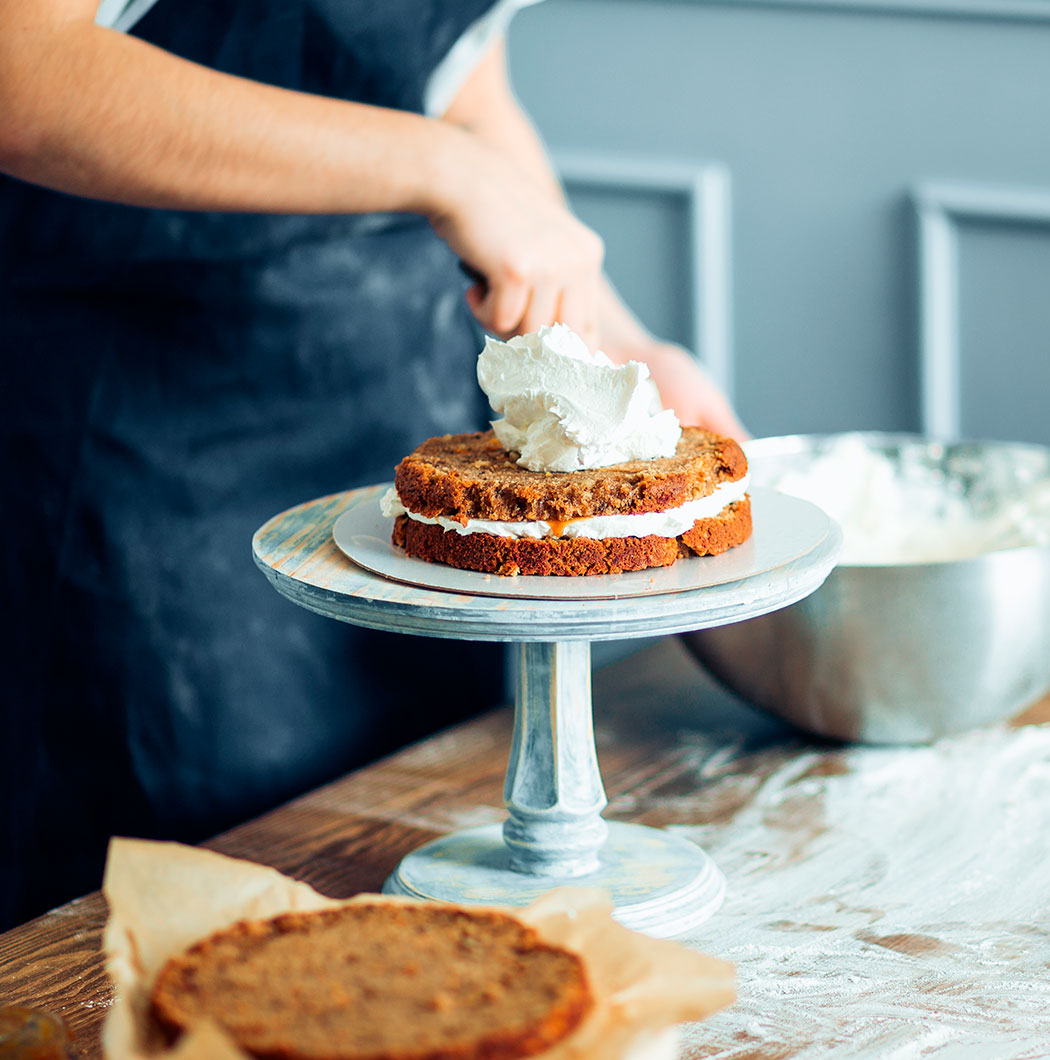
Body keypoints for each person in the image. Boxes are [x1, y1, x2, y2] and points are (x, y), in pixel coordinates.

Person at [0, 0, 748, 929]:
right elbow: (20, 66)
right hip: (144, 434)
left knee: (428, 827)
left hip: (406, 413)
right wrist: (441, 169)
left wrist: (613, 344)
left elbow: (463, 91)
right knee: (216, 900)